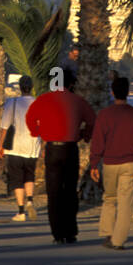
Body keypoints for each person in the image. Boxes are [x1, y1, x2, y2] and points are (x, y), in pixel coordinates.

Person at [25, 70, 95, 244]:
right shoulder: (78, 101)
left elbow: (30, 119)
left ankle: (57, 233)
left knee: (54, 192)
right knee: (70, 191)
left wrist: (39, 133)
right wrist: (83, 135)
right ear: (71, 84)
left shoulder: (43, 99)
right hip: (70, 149)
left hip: (52, 149)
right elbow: (92, 120)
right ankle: (70, 231)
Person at [89, 76, 133, 250]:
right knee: (125, 203)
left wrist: (94, 163)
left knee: (109, 198)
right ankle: (118, 241)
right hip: (129, 164)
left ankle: (107, 233)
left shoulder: (105, 114)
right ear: (128, 93)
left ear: (112, 92)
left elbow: (98, 141)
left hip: (109, 164)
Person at [0, 75, 40, 221]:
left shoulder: (13, 102)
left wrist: (1, 146)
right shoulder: (38, 103)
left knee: (17, 179)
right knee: (29, 175)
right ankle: (30, 200)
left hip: (15, 146)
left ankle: (21, 212)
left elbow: (5, 126)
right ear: (32, 87)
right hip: (33, 146)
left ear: (20, 87)